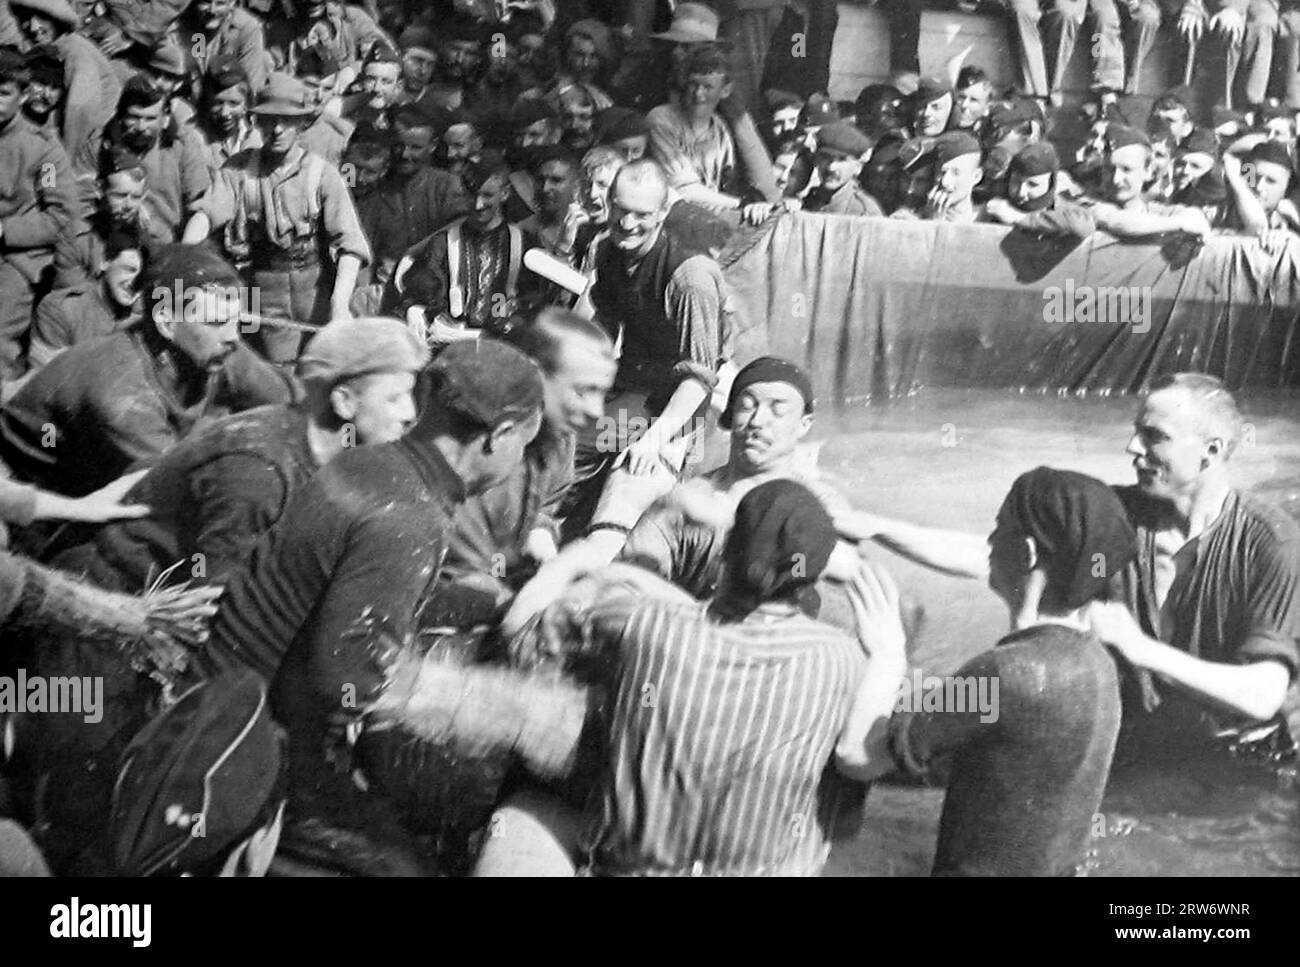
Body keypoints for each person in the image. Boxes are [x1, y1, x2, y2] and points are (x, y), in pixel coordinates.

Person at [201, 339, 546, 876]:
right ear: (499, 437)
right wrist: (509, 711)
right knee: (404, 868)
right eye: (525, 442)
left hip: (228, 696)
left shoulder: (370, 461)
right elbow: (350, 678)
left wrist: (488, 602)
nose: (522, 457)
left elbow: (350, 584)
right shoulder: (409, 517)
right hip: (250, 748)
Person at [479, 479, 879, 877]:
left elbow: (517, 632)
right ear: (813, 578)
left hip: (628, 866)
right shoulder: (844, 662)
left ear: (725, 551)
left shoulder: (644, 624)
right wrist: (888, 653)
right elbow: (841, 818)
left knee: (525, 808)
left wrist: (580, 560)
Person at [850, 468, 1134, 876]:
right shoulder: (1100, 665)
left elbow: (859, 758)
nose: (988, 544)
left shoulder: (1001, 674)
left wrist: (887, 655)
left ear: (1028, 553)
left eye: (998, 529)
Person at [51, 315, 426, 594]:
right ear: (343, 402)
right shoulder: (260, 472)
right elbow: (210, 598)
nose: (410, 413)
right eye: (394, 397)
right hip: (110, 603)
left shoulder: (320, 452)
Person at [1091, 374, 1298, 759]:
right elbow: (1003, 557)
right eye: (1136, 432)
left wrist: (1139, 648)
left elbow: (1263, 694)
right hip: (1153, 744)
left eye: (1154, 436)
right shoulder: (1113, 515)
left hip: (1248, 758)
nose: (1131, 447)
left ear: (1212, 451)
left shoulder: (1272, 543)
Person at [0, 243, 294, 498]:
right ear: (166, 323)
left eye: (235, 321)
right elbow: (180, 488)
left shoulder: (217, 346)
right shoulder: (122, 393)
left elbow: (294, 399)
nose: (233, 337)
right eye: (217, 322)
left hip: (97, 479)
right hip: (27, 497)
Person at [562, 158, 733, 539]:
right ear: (609, 201)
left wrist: (654, 437)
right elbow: (605, 320)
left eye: (641, 214)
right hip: (633, 378)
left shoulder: (690, 277)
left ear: (663, 212)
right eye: (621, 210)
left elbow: (699, 376)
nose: (627, 224)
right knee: (559, 430)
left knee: (594, 451)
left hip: (677, 397)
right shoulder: (607, 249)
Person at [183, 72, 371, 363]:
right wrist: (184, 262)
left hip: (316, 289)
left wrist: (339, 305)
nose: (278, 129)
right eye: (269, 120)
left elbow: (350, 245)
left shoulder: (323, 174)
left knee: (323, 367)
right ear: (256, 122)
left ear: (302, 124)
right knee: (279, 372)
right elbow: (206, 214)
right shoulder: (238, 171)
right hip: (263, 290)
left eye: (287, 121)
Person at [386, 154, 538, 342]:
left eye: (487, 195)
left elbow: (534, 296)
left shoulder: (523, 243)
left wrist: (514, 319)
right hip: (451, 341)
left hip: (504, 343)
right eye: (473, 195)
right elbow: (425, 285)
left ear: (505, 194)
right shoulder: (445, 242)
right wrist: (414, 306)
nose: (478, 204)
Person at [0, 46, 77, 382]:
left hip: (16, 261)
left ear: (23, 95)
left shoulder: (44, 150)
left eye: (3, 93)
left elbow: (59, 217)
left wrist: (4, 230)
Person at [361, 103, 471, 287]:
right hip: (387, 288)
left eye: (416, 147)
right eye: (399, 146)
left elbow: (463, 225)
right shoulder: (376, 193)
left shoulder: (447, 186)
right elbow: (363, 252)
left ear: (432, 146)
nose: (405, 154)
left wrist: (415, 251)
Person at [986, 141, 1097, 238]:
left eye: (1033, 184)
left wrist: (1019, 218)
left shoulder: (1059, 206)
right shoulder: (1002, 199)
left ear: (1051, 183)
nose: (1021, 192)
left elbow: (1082, 226)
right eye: (1016, 181)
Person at [182, 0, 269, 96]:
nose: (212, 10)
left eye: (220, 3)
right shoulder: (183, 21)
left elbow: (251, 83)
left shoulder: (247, 27)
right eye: (206, 2)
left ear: (232, 3)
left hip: (226, 100)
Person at [804, 122, 883, 216]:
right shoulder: (809, 199)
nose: (831, 167)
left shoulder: (863, 212)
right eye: (826, 157)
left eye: (842, 160)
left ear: (858, 167)